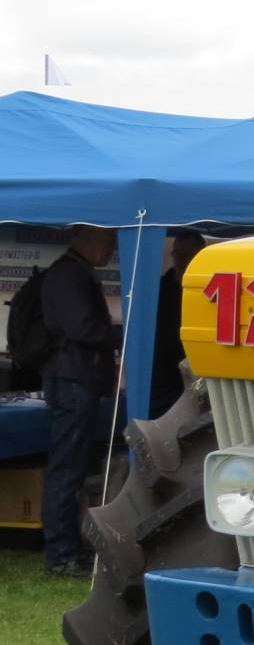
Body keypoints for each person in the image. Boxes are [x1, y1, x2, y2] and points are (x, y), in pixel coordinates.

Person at [40, 226, 119, 578]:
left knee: (71, 467)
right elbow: (82, 329)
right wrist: (120, 334)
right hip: (74, 379)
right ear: (83, 239)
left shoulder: (72, 273)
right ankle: (61, 553)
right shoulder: (69, 275)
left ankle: (67, 548)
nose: (111, 251)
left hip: (76, 378)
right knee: (67, 469)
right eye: (107, 243)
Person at [149, 230, 205, 417]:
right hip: (161, 375)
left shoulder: (208, 290)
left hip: (195, 369)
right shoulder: (158, 289)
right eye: (177, 254)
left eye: (186, 255)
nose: (180, 260)